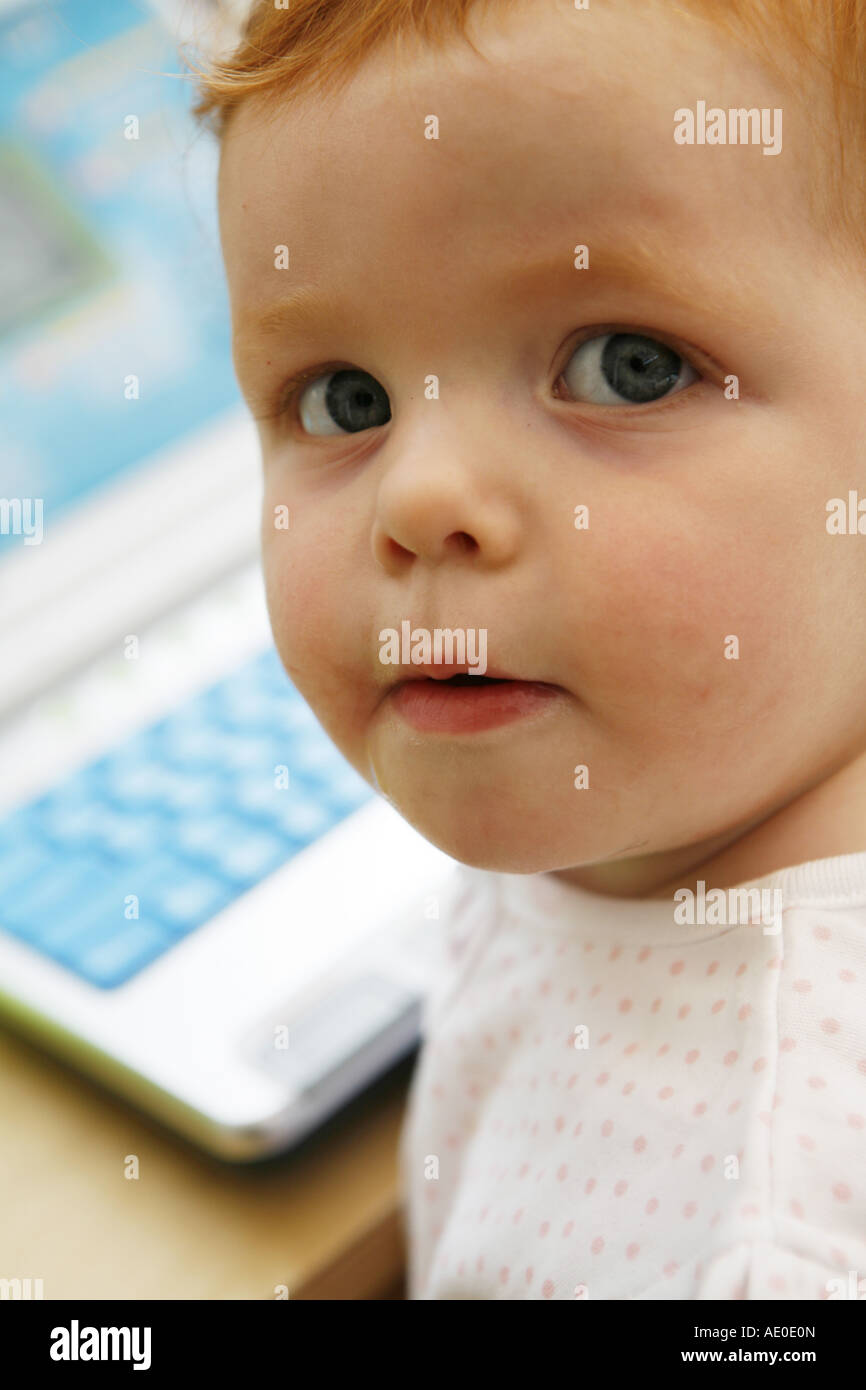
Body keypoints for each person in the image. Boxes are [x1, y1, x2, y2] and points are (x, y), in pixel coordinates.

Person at [190, 0, 866, 1298]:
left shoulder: (778, 1229)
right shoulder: (653, 786)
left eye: (625, 367)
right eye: (346, 400)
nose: (417, 498)